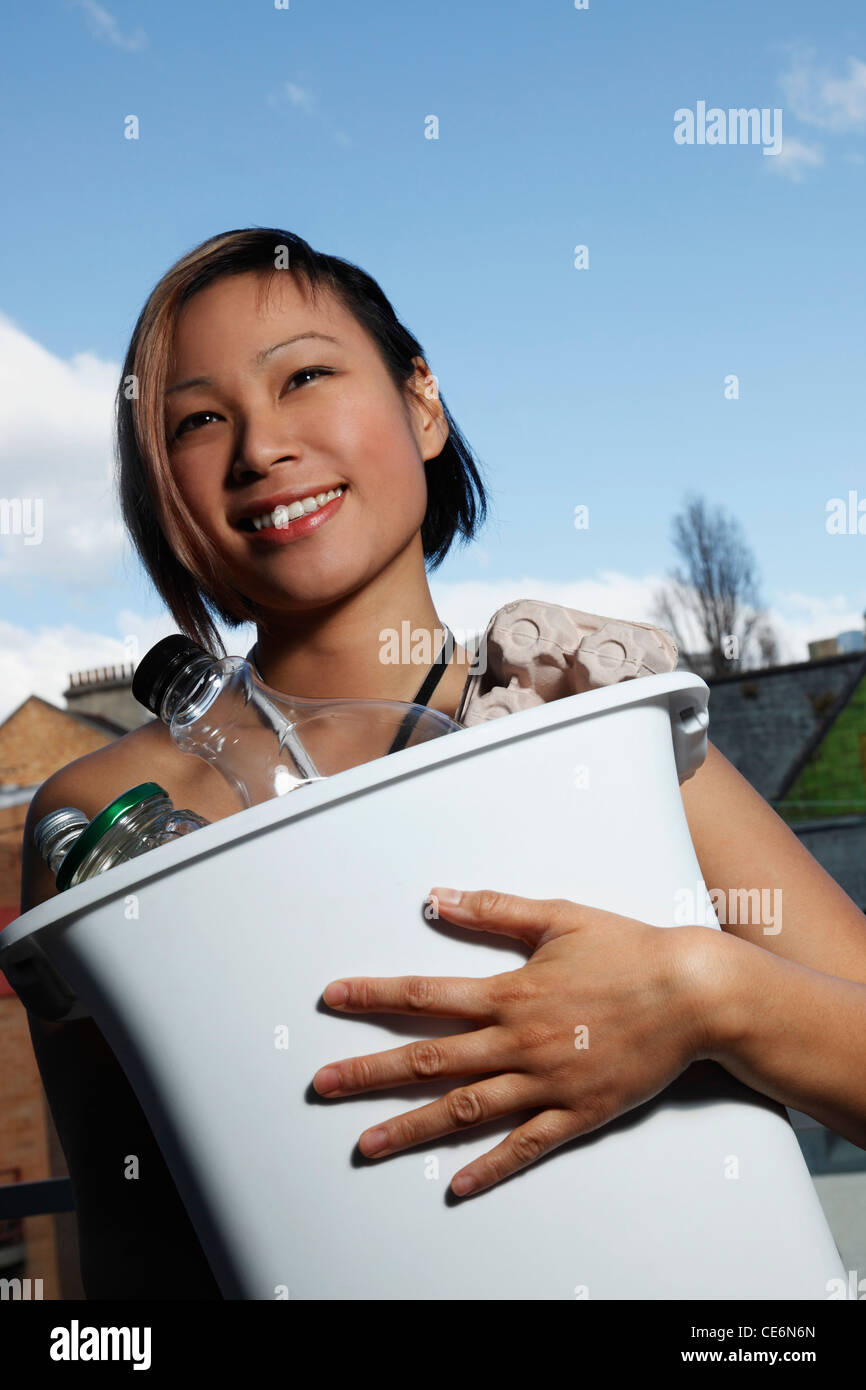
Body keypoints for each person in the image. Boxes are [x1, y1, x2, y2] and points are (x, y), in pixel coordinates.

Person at [21, 227, 866, 1299]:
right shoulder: (100, 820)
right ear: (163, 491)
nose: (261, 447)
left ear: (422, 401)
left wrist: (700, 995)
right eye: (198, 419)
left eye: (306, 375)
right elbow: (131, 1238)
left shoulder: (581, 713)